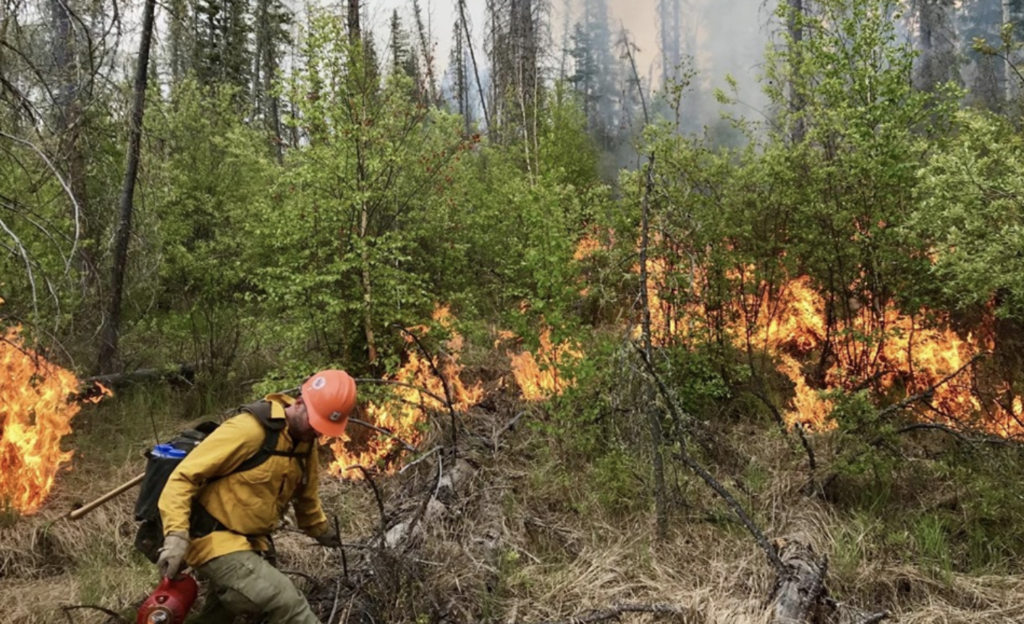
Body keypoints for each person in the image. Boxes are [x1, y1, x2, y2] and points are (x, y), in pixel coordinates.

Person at [156, 369, 357, 623]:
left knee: (218, 617)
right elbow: (183, 477)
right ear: (299, 402)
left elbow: (307, 497)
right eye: (315, 423)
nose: (317, 432)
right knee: (286, 602)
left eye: (323, 428)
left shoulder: (305, 444)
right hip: (213, 539)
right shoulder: (250, 431)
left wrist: (322, 531)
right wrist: (176, 535)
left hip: (251, 543)